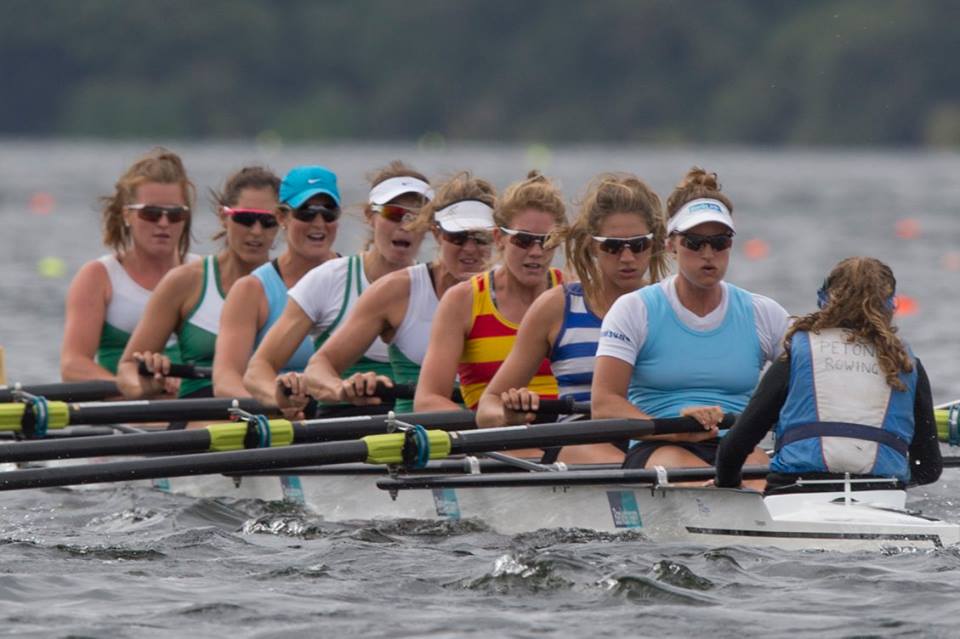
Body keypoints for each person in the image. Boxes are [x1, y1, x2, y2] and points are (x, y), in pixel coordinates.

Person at [592, 167, 790, 473]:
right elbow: (604, 406)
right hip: (659, 445)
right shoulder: (634, 309)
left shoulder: (765, 314)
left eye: (720, 242)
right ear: (671, 244)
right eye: (695, 242)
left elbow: (811, 388)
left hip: (736, 444)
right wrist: (676, 429)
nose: (708, 253)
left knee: (758, 473)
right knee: (689, 475)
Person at [475, 174, 669, 463]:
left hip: (658, 437)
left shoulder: (670, 307)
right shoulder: (556, 307)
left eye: (638, 245)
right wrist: (507, 414)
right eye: (613, 246)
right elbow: (487, 406)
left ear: (654, 244)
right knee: (628, 464)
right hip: (581, 439)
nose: (627, 258)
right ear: (592, 245)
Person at [715, 257, 942, 490]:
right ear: (891, 306)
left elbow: (735, 446)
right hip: (882, 492)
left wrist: (728, 486)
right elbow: (929, 468)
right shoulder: (907, 364)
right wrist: (895, 481)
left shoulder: (797, 355)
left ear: (825, 300)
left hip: (794, 492)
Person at [243, 161, 432, 415]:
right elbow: (259, 368)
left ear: (430, 225)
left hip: (416, 430)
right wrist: (283, 398)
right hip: (341, 429)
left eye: (416, 217)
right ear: (370, 216)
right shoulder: (329, 279)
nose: (406, 226)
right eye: (393, 214)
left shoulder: (439, 287)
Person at [302, 172, 495, 413]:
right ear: (435, 232)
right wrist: (343, 389)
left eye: (480, 238)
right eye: (457, 236)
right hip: (421, 442)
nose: (469, 249)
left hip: (491, 442)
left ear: (497, 236)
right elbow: (319, 367)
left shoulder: (512, 292)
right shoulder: (397, 291)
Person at [116, 166, 281, 399]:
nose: (256, 231)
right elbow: (127, 369)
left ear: (282, 221)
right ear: (224, 217)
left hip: (274, 416)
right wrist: (144, 385)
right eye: (245, 218)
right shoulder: (185, 282)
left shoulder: (298, 286)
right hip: (202, 416)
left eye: (268, 221)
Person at [414, 172, 566, 413]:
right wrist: (491, 421)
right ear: (499, 238)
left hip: (569, 439)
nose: (536, 252)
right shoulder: (463, 301)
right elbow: (427, 401)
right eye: (524, 240)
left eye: (546, 241)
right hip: (495, 443)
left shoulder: (574, 292)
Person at [60, 148, 195, 388]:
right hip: (123, 417)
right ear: (127, 215)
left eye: (174, 215)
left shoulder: (203, 273)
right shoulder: (99, 277)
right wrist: (134, 389)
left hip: (196, 413)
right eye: (151, 213)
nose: (163, 223)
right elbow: (73, 366)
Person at [212, 166, 340, 397]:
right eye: (306, 213)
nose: (319, 223)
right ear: (282, 217)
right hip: (279, 420)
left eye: (329, 212)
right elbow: (226, 381)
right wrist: (278, 400)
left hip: (345, 414)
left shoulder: (359, 276)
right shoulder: (251, 290)